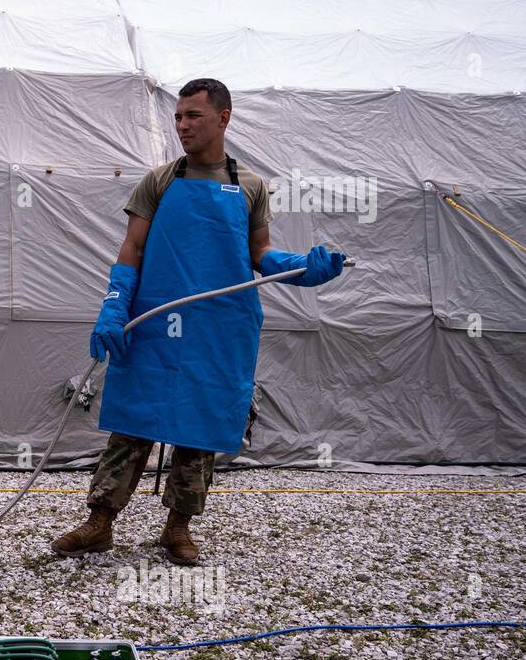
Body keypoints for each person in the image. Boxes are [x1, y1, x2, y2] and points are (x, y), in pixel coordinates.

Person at [52, 78, 346, 565]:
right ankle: (100, 523)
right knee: (133, 421)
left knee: (200, 428)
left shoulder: (249, 186)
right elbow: (134, 248)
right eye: (178, 116)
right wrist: (114, 304)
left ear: (223, 117)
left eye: (194, 116)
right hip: (155, 319)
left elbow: (259, 254)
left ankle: (178, 529)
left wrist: (302, 269)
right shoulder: (161, 180)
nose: (182, 125)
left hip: (218, 327)